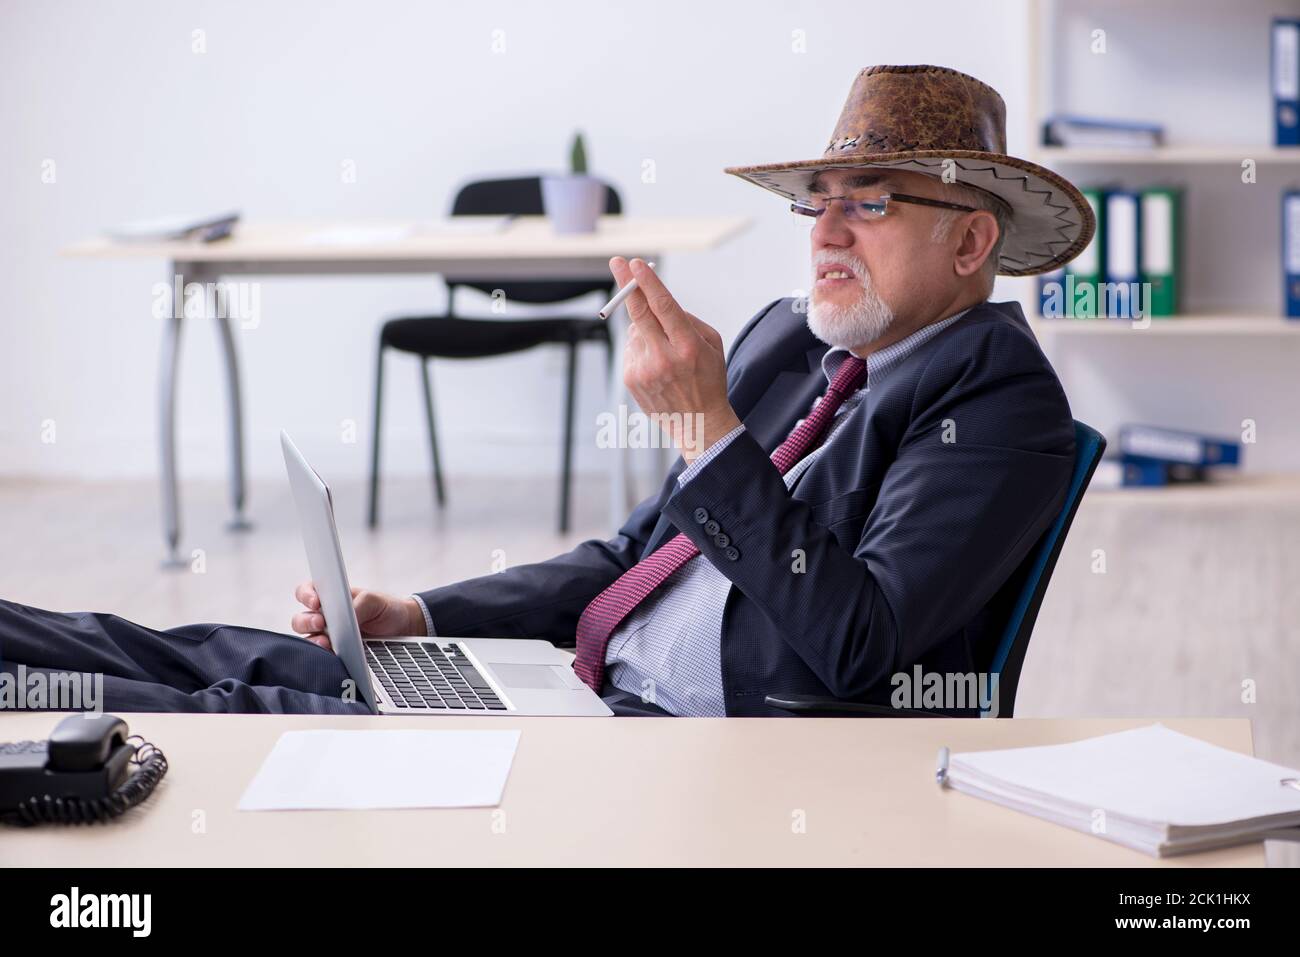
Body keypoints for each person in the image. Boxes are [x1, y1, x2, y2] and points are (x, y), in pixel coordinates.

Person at [1, 65, 1092, 717]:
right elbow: (628, 562)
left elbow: (859, 644)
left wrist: (710, 435)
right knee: (193, 651)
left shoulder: (998, 400)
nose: (827, 231)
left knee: (230, 708)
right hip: (572, 687)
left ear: (971, 242)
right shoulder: (781, 343)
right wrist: (422, 615)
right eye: (818, 204)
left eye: (869, 204)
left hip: (672, 735)